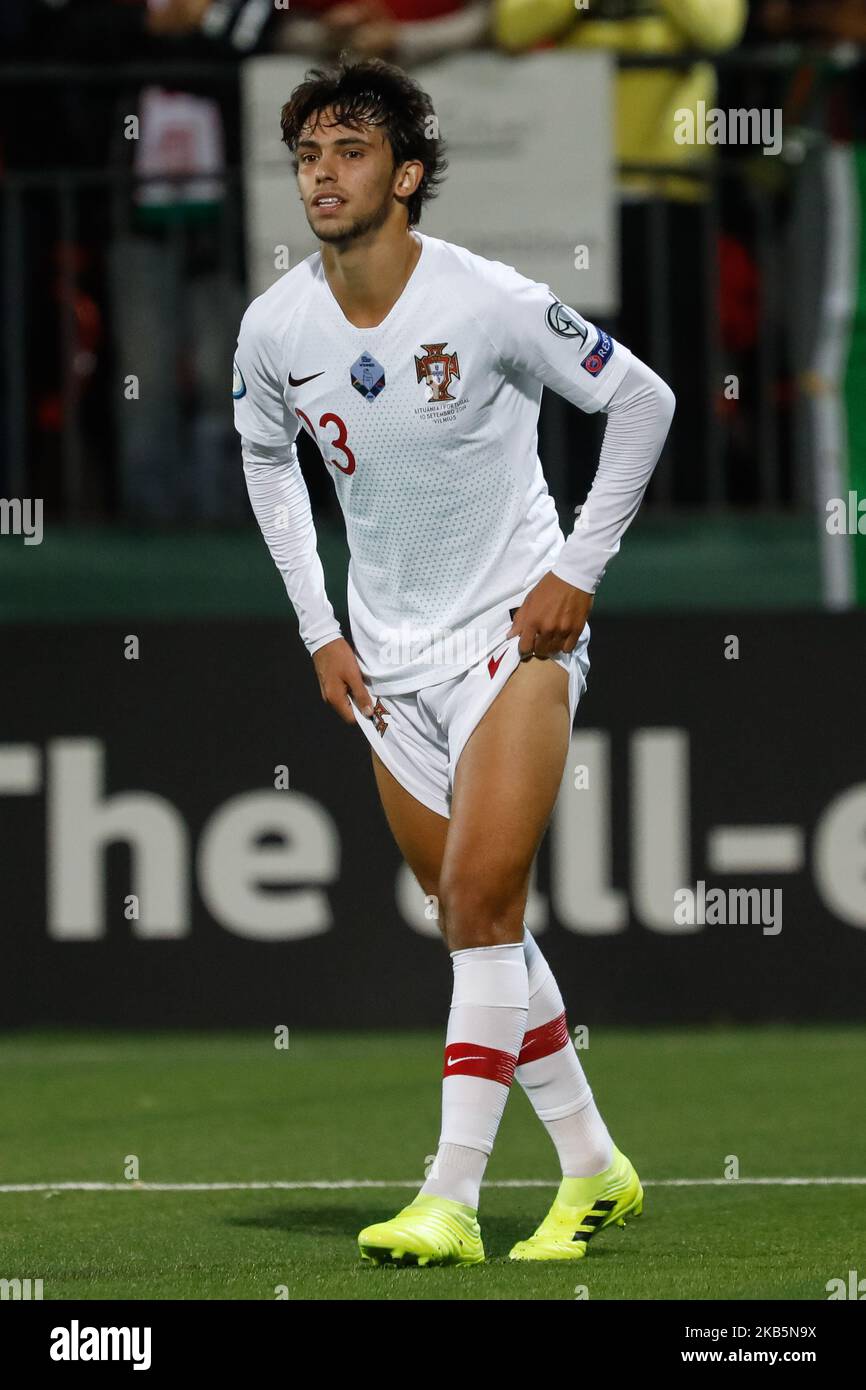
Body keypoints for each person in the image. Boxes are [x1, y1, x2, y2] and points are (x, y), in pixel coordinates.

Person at [233, 56, 675, 1266]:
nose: (322, 174)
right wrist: (318, 627)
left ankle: (450, 1196)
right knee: (477, 927)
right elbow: (267, 462)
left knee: (479, 906)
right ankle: (592, 1165)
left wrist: (576, 570)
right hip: (386, 659)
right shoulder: (275, 325)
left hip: (512, 639)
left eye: (350, 151)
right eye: (308, 155)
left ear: (409, 174)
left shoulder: (486, 301)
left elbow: (642, 402)